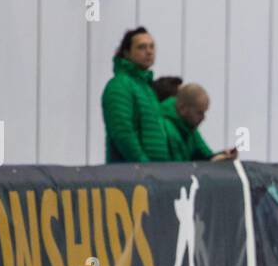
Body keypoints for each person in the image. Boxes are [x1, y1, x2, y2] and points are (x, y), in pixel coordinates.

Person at [102, 27, 170, 164]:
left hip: (154, 173)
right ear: (126, 53)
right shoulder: (119, 86)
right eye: (142, 47)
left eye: (152, 46)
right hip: (131, 177)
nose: (149, 51)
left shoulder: (146, 88)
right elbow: (122, 132)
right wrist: (143, 165)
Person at [166, 83, 237, 162]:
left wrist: (222, 155)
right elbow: (178, 168)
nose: (203, 118)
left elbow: (205, 155)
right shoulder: (168, 129)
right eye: (199, 113)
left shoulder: (189, 128)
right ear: (183, 109)